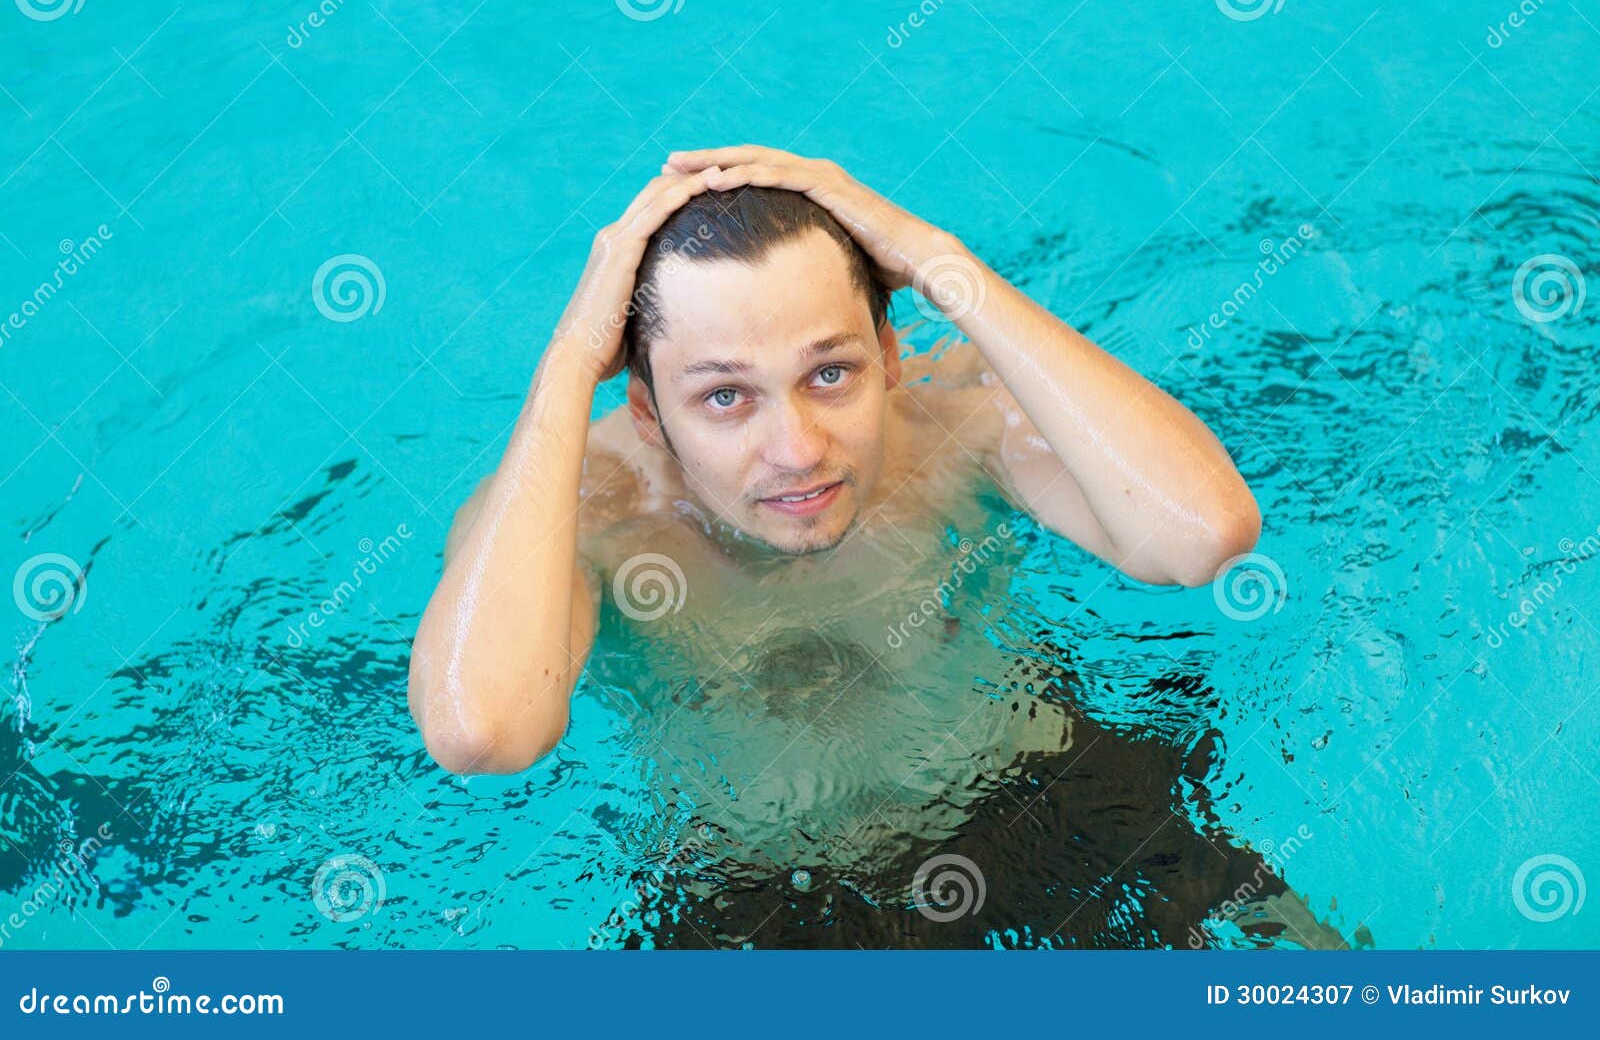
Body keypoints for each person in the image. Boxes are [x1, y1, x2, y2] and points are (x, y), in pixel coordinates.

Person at [406, 144, 1351, 947]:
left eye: (831, 372)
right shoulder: (588, 511)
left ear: (889, 356)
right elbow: (484, 729)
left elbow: (1202, 535)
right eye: (724, 395)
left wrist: (941, 260)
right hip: (769, 903)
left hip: (1055, 806)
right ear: (647, 408)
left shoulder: (950, 435)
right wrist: (572, 357)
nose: (796, 450)